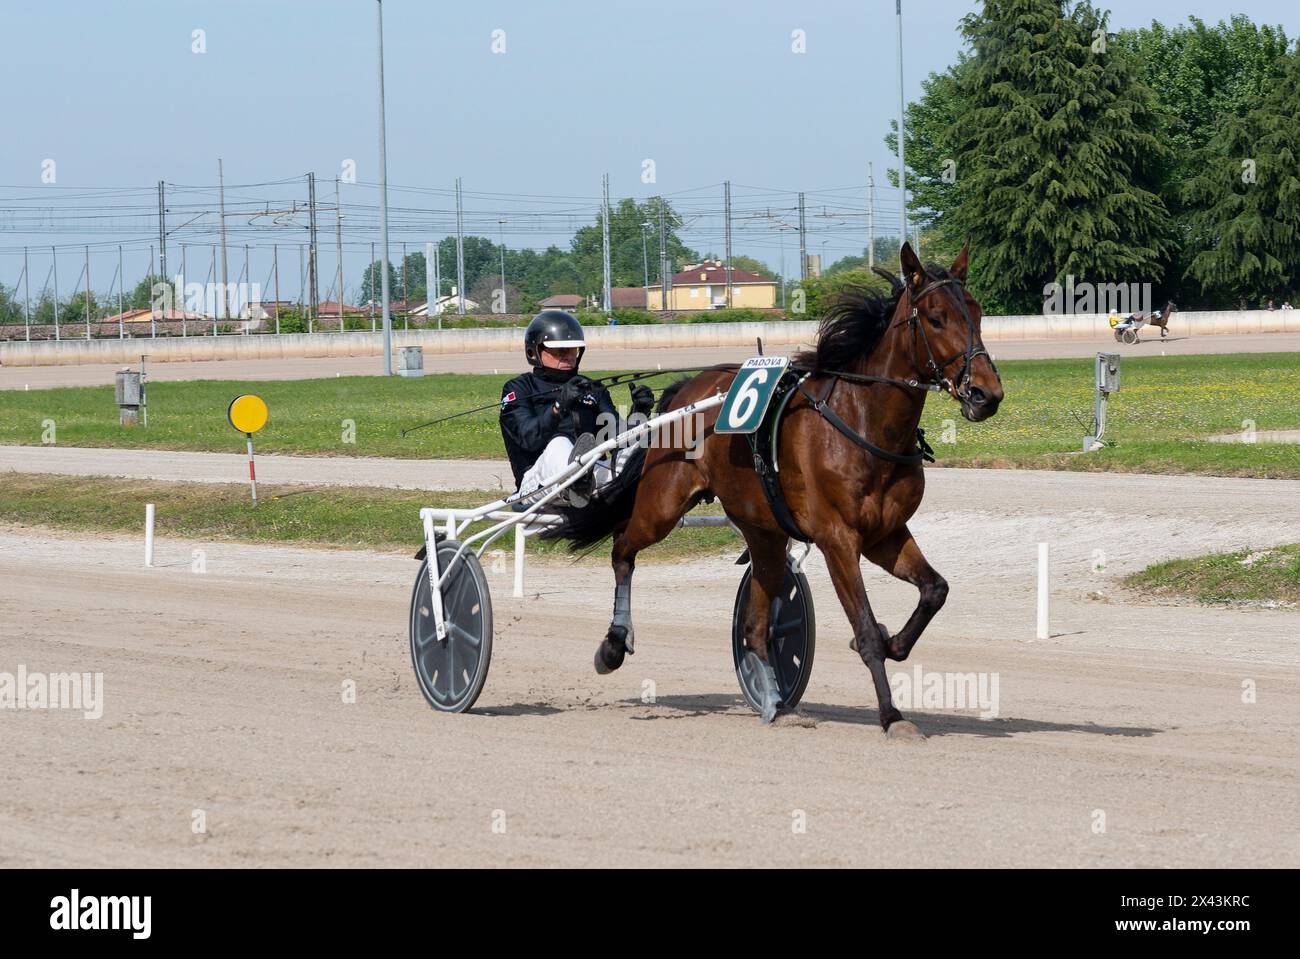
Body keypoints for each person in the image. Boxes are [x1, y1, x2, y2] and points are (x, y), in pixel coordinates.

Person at [499, 310, 653, 506]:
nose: (568, 356)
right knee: (559, 444)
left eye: (572, 350)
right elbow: (528, 439)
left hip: (590, 475)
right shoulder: (518, 388)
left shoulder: (592, 388)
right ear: (534, 352)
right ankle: (576, 480)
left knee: (644, 449)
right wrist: (558, 407)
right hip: (537, 483)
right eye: (559, 351)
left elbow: (615, 440)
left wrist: (639, 413)